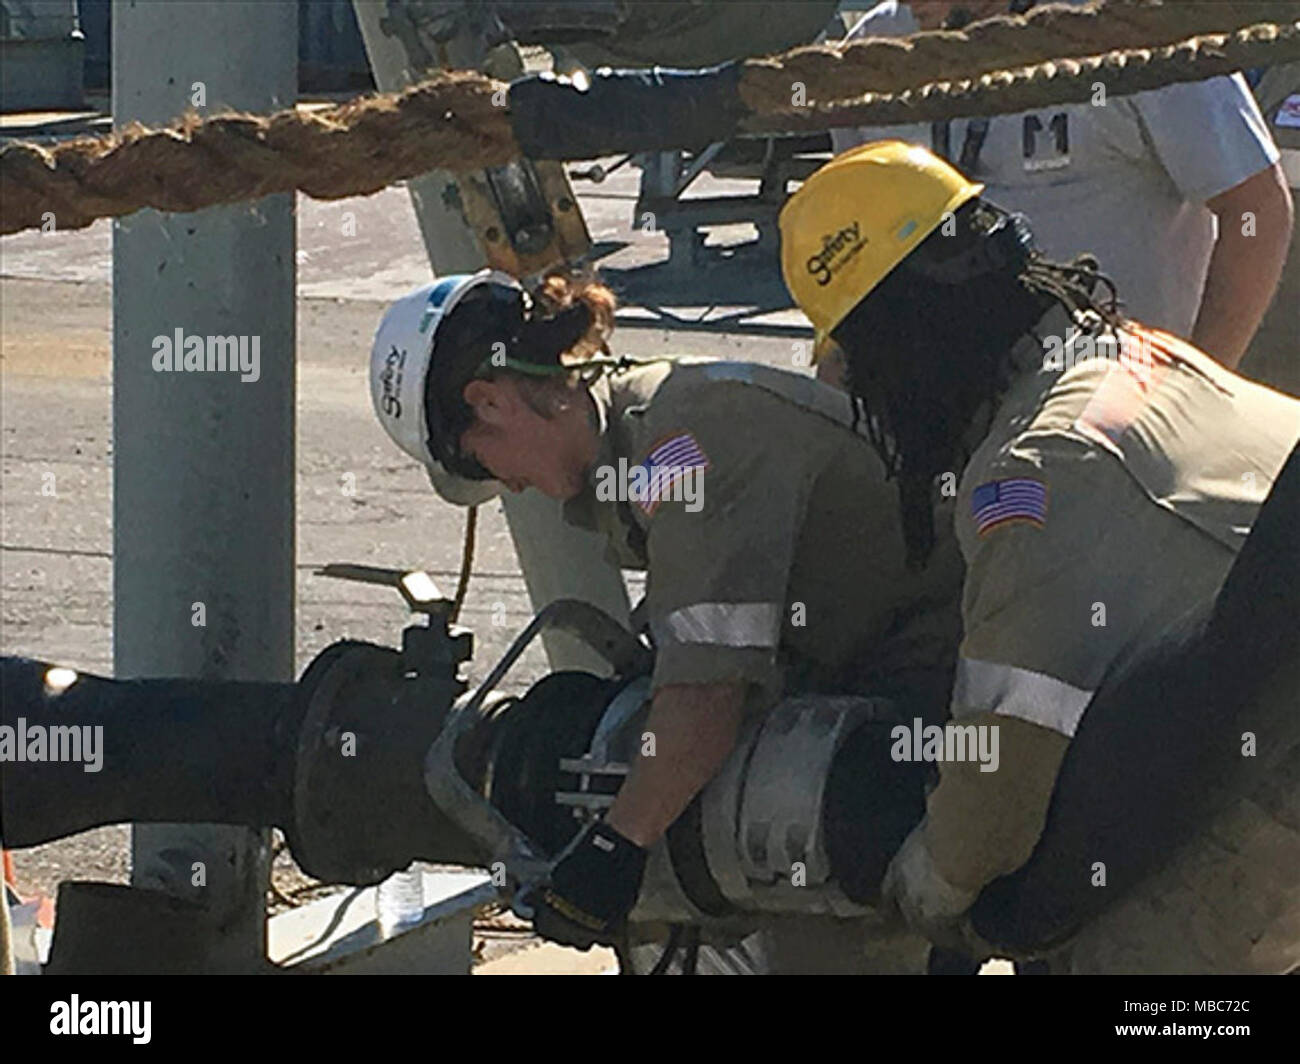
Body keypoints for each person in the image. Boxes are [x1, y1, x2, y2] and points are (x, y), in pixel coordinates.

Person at [778, 139, 1300, 972]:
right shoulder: (1151, 359)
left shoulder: (1030, 473)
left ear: (896, 344)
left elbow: (1002, 770)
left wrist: (927, 891)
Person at [367, 269, 965, 970]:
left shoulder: (684, 444)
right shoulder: (642, 428)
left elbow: (707, 699)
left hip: (941, 716)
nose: (506, 485)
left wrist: (612, 851)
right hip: (892, 701)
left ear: (490, 402)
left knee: (792, 857)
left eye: (480, 462)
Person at [822, 0, 1293, 373]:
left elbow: (1257, 210)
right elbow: (857, 248)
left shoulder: (1127, 31)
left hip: (1108, 407)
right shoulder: (878, 49)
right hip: (945, 407)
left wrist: (1199, 383)